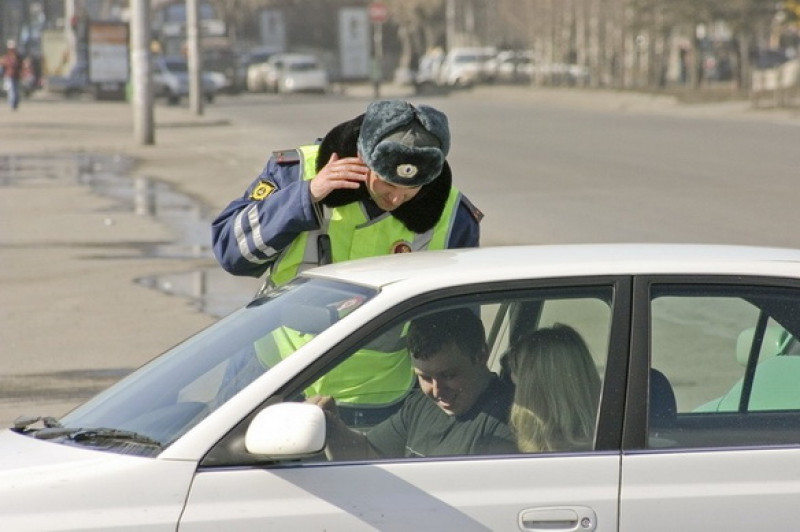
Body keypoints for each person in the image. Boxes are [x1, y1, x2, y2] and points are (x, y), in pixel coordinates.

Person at [211, 99, 482, 288]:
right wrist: (305, 197)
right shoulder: (297, 172)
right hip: (283, 364)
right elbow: (231, 254)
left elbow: (456, 326)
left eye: (411, 188)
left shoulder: (454, 216)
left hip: (384, 371)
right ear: (363, 158)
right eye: (387, 183)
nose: (396, 199)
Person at [309, 308, 517, 460]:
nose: (437, 391)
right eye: (425, 377)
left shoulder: (506, 425)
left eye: (448, 375)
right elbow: (367, 454)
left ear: (481, 355)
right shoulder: (420, 405)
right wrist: (332, 427)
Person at [506, 324, 601, 453]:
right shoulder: (603, 443)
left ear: (532, 389)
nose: (510, 380)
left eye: (516, 373)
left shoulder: (528, 458)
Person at [1, 40, 22, 110]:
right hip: (9, 76)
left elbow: (20, 65)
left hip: (16, 76)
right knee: (11, 91)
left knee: (16, 91)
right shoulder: (6, 57)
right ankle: (12, 104)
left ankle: (15, 104)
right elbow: (3, 66)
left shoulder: (18, 56)